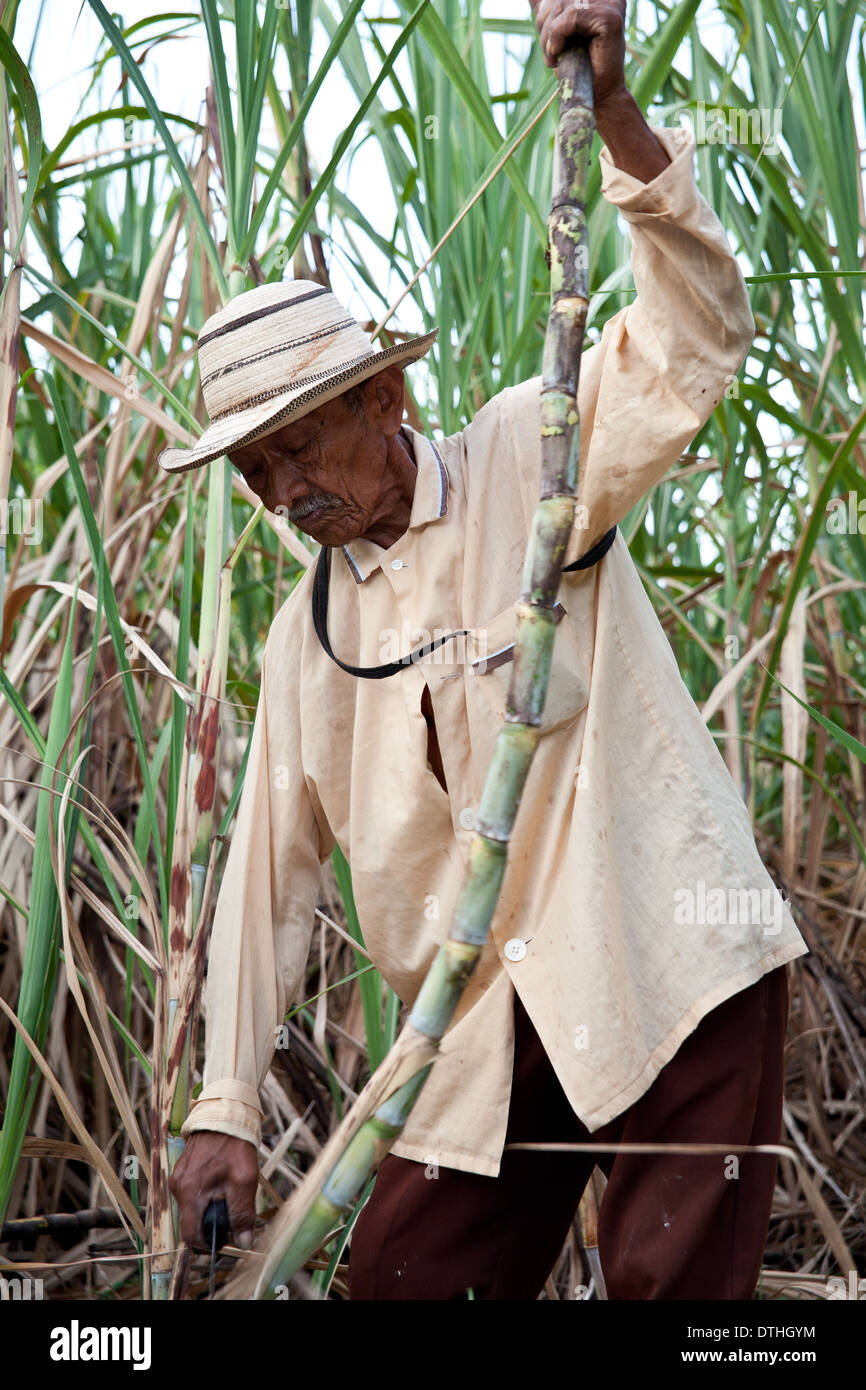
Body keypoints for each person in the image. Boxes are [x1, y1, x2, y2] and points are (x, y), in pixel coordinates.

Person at [161, 0, 808, 1299]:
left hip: (664, 955)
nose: (282, 489)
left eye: (299, 446)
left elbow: (696, 339)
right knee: (399, 1283)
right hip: (474, 1027)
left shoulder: (534, 456)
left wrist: (614, 116)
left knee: (670, 1289)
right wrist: (225, 1100)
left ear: (385, 398)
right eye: (251, 468)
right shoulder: (312, 638)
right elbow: (265, 883)